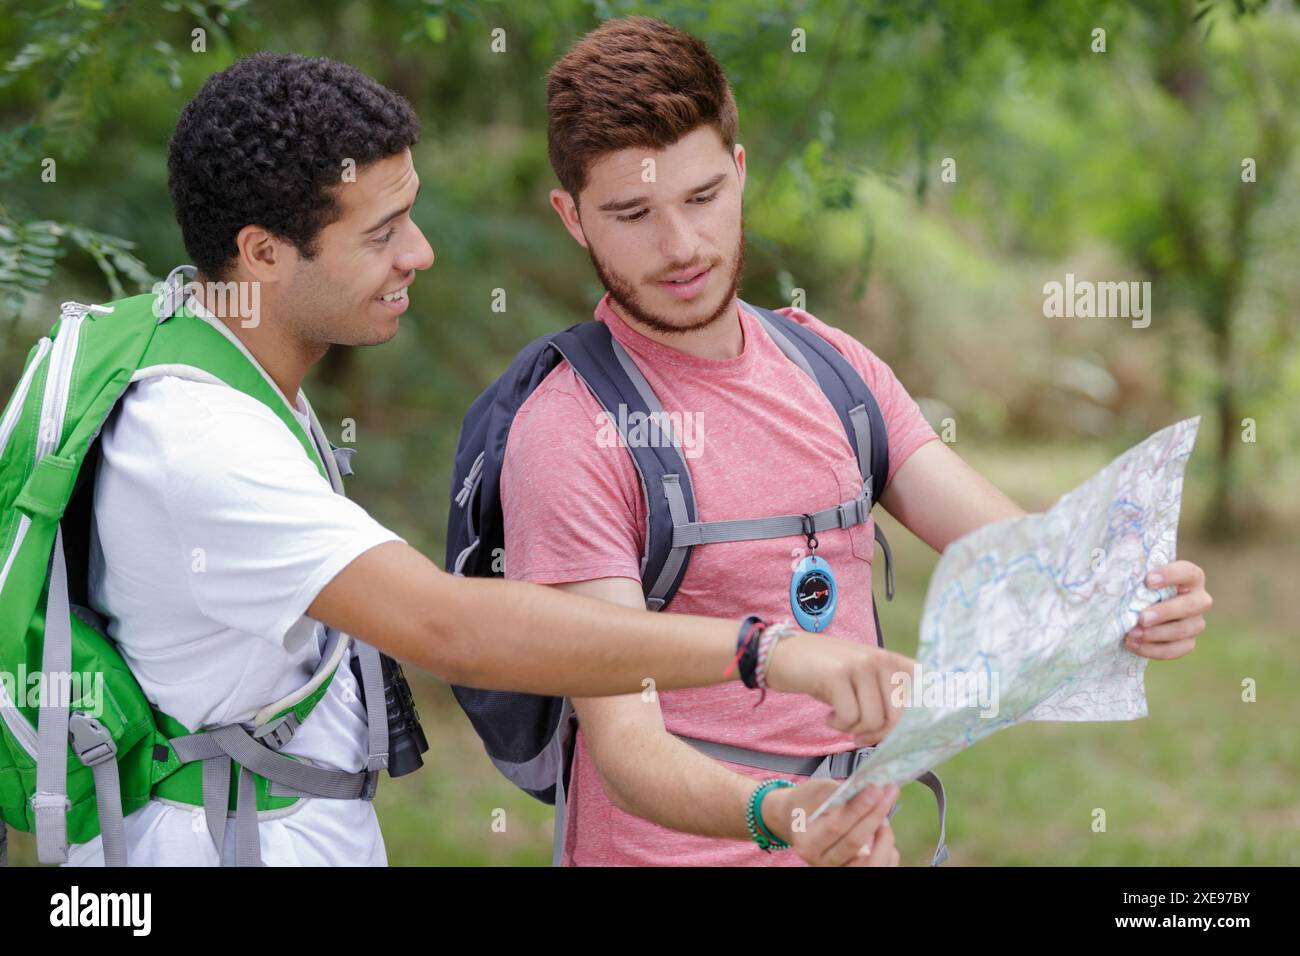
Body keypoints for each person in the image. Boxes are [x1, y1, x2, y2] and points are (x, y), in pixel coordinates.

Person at [57, 52, 912, 866]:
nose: (419, 253)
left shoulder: (216, 360)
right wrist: (764, 653)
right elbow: (451, 627)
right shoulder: (204, 443)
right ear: (264, 254)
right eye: (383, 232)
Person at [498, 15, 1215, 866]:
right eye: (631, 213)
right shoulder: (569, 432)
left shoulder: (831, 368)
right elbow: (626, 752)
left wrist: (1130, 596)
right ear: (571, 217)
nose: (681, 246)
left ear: (739, 170)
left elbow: (1022, 562)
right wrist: (786, 815)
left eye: (701, 198)